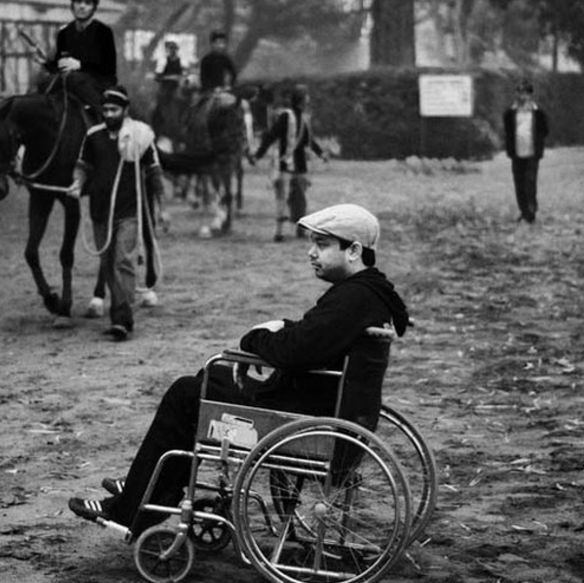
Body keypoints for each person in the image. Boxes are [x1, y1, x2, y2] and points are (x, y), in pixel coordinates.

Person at [68, 203, 410, 534]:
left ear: (353, 250)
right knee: (211, 380)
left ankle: (132, 509)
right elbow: (318, 338)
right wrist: (285, 326)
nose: (312, 253)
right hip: (323, 409)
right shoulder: (369, 295)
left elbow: (297, 351)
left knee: (186, 394)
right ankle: (148, 486)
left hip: (304, 421)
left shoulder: (352, 299)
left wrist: (257, 337)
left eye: (322, 244)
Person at [67, 86, 164, 341]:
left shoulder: (139, 136)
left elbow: (154, 172)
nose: (109, 114)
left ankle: (122, 318)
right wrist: (77, 182)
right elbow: (82, 166)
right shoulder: (93, 136)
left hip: (129, 211)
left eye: (114, 110)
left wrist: (162, 208)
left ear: (125, 110)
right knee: (108, 263)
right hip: (100, 211)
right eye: (106, 110)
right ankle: (120, 313)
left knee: (124, 260)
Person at [253, 84, 327, 242]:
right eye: (306, 96)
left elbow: (308, 140)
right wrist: (259, 154)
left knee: (294, 197)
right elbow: (272, 136)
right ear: (302, 100)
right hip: (290, 164)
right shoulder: (288, 116)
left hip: (293, 164)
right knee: (288, 196)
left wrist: (321, 153)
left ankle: (292, 230)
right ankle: (283, 231)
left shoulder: (300, 118)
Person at [44, 0, 117, 121]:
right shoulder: (64, 33)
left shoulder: (104, 32)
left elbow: (109, 68)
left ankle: (103, 122)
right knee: (43, 84)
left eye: (87, 3)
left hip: (98, 84)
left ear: (94, 7)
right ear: (72, 5)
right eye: (78, 2)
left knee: (75, 79)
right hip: (69, 83)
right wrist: (46, 63)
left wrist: (80, 65)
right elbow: (59, 66)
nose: (82, 6)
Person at [502, 79, 549, 224]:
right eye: (520, 93)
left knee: (530, 182)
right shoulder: (511, 113)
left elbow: (544, 130)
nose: (522, 97)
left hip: (532, 153)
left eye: (525, 94)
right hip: (517, 152)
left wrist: (537, 142)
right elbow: (508, 128)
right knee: (519, 183)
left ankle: (531, 211)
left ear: (530, 95)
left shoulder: (538, 112)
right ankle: (523, 211)